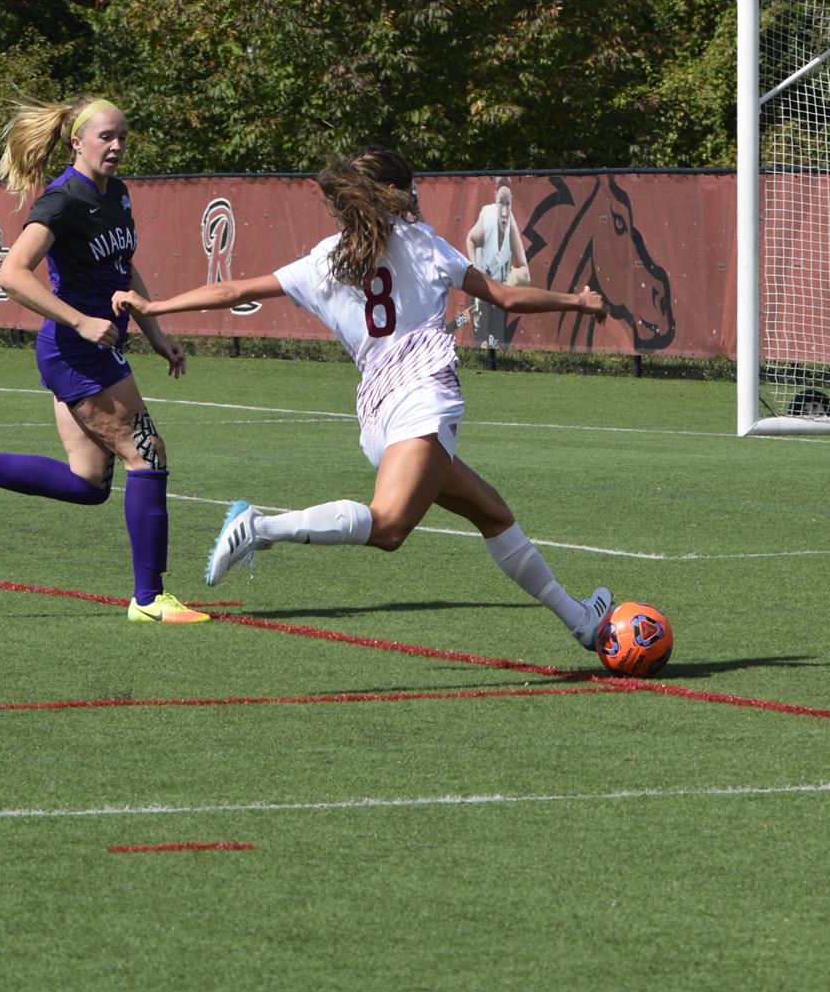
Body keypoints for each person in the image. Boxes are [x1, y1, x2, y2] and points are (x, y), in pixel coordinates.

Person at [113, 146, 614, 653]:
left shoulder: (323, 260)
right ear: (394, 193)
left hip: (378, 414)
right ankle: (260, 526)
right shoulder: (422, 244)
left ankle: (582, 621)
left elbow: (234, 290)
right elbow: (506, 297)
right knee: (391, 526)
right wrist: (577, 300)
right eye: (410, 186)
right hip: (422, 398)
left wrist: (155, 305)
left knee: (493, 515)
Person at [0, 95, 210, 624]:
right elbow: (12, 273)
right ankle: (149, 599)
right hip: (74, 350)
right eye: (105, 137)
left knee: (87, 484)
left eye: (122, 138)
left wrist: (155, 329)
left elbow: (122, 268)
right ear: (77, 142)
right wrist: (82, 322)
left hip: (92, 350)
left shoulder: (118, 194)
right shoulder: (62, 200)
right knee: (148, 453)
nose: (115, 147)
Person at [458, 177, 531, 350]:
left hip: (498, 293)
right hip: (482, 290)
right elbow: (471, 239)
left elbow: (525, 272)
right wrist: (477, 279)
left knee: (496, 343)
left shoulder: (510, 220)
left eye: (508, 204)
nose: (505, 211)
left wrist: (507, 283)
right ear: (495, 199)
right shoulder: (488, 217)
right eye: (501, 204)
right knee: (483, 342)